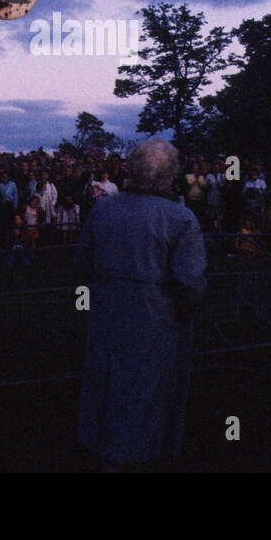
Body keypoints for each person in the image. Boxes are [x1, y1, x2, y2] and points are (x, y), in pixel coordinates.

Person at [75, 139, 207, 470]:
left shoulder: (103, 210)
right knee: (143, 392)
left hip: (107, 315)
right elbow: (191, 284)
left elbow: (82, 264)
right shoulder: (181, 219)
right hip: (154, 324)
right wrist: (182, 314)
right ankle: (131, 457)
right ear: (170, 175)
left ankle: (106, 451)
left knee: (107, 385)